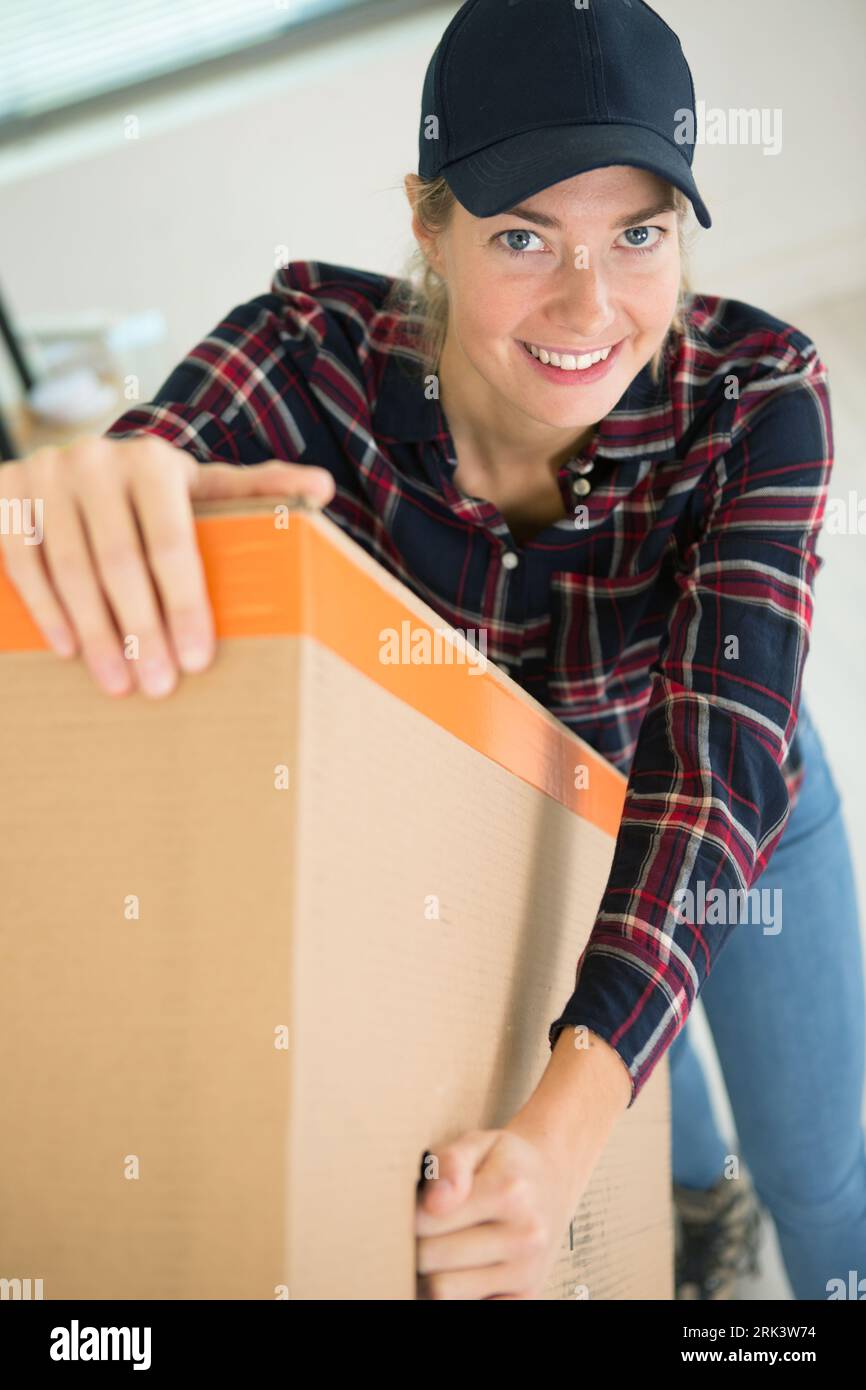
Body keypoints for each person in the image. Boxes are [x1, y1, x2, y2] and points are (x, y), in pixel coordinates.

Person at [1, 0, 863, 1300]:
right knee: (667, 1143)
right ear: (427, 222)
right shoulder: (313, 358)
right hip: (525, 812)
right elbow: (144, 465)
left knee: (817, 1172)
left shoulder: (755, 395)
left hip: (721, 792)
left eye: (638, 234)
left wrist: (559, 1136)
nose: (589, 304)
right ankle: (694, 1215)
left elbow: (711, 762)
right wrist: (55, 506)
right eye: (522, 235)